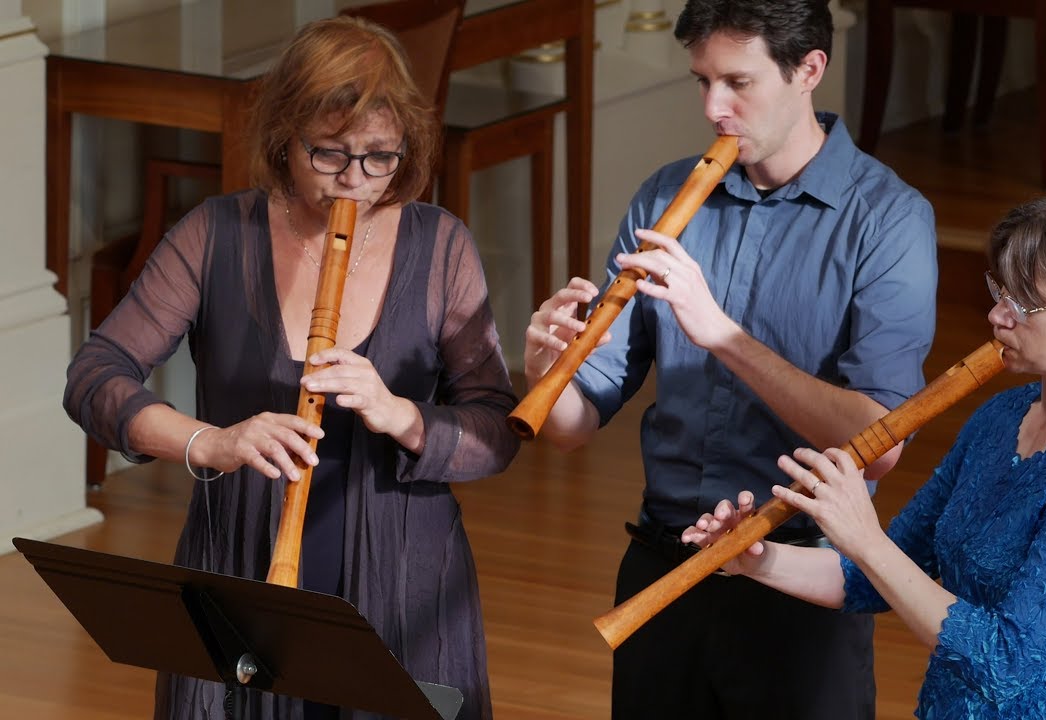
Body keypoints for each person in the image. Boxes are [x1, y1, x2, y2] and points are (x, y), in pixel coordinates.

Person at [63, 17, 519, 720]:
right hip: (243, 568)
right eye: (329, 155)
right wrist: (208, 442)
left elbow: (497, 431)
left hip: (403, 587)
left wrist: (399, 413)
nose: (355, 181)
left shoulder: (441, 248)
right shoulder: (215, 234)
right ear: (284, 138)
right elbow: (95, 375)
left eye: (380, 157)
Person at [522, 0, 937, 716]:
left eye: (738, 83)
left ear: (809, 69)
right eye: (701, 81)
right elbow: (572, 425)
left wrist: (720, 333)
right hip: (664, 560)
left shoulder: (890, 220)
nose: (715, 107)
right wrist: (545, 369)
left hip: (799, 576)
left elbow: (878, 449)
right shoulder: (664, 195)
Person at [683, 180, 1046, 719]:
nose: (999, 316)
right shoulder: (1001, 416)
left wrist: (866, 540)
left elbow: (1008, 663)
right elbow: (871, 580)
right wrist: (756, 560)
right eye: (1001, 293)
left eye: (1028, 304)